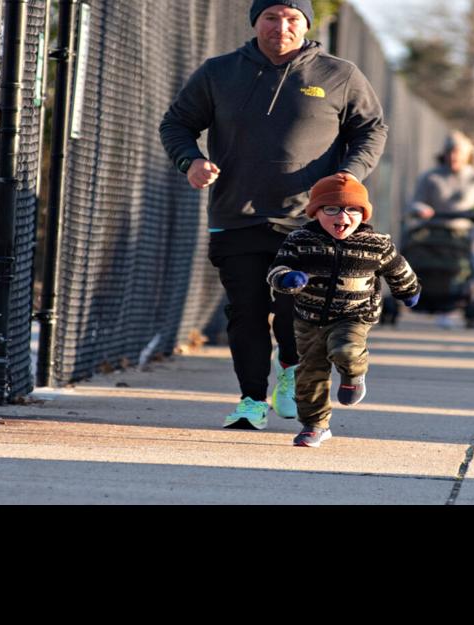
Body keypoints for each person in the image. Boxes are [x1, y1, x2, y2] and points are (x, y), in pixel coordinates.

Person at [160, 0, 388, 431]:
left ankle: (290, 369)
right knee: (244, 310)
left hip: (309, 222)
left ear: (305, 24)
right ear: (256, 22)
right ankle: (249, 399)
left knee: (293, 311)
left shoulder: (339, 74)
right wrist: (190, 160)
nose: (280, 27)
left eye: (291, 19)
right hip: (237, 214)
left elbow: (372, 128)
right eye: (271, 17)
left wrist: (348, 173)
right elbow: (176, 124)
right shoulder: (219, 72)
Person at [265, 174, 420, 447]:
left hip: (355, 314)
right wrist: (287, 278)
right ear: (315, 212)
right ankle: (315, 425)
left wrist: (409, 291)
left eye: (352, 210)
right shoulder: (300, 239)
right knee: (309, 375)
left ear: (363, 213)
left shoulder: (376, 244)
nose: (343, 217)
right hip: (308, 318)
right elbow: (277, 269)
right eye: (332, 209)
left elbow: (398, 270)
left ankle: (353, 374)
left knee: (345, 350)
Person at [407, 131, 474, 329]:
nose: (453, 157)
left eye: (458, 153)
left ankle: (465, 301)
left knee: (470, 268)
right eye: (450, 152)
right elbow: (413, 203)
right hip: (432, 233)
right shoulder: (430, 177)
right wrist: (420, 209)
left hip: (465, 234)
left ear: (467, 155)